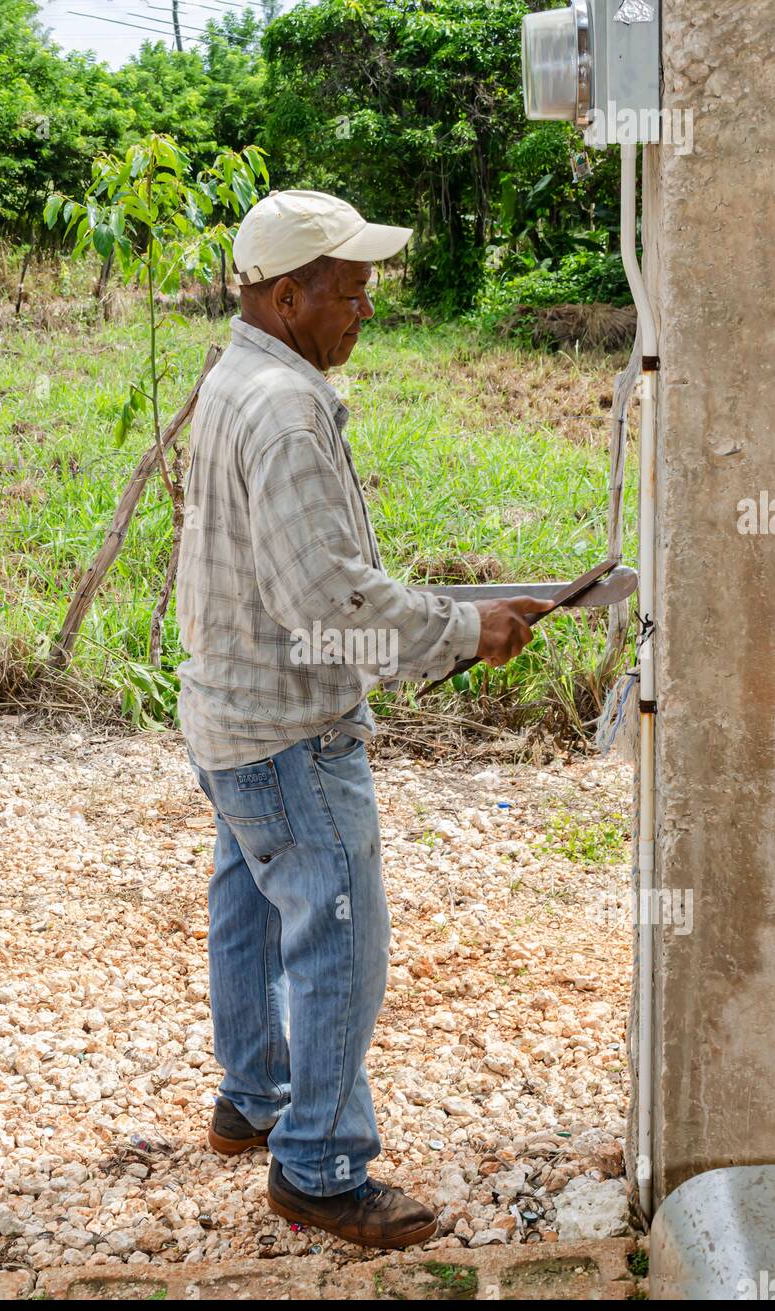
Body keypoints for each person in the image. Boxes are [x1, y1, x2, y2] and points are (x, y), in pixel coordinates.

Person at [175, 189, 551, 1249]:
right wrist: (465, 630)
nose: (367, 310)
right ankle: (321, 1167)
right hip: (290, 728)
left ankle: (253, 1097)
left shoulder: (236, 375)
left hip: (228, 712)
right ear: (288, 298)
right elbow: (328, 601)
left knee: (253, 909)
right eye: (350, 291)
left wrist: (450, 618)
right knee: (340, 939)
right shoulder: (287, 411)